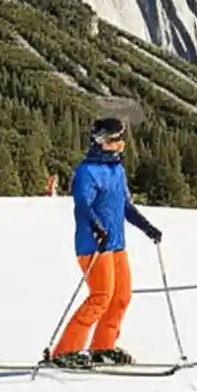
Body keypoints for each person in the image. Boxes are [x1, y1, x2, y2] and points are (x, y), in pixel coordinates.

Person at [46, 117, 162, 369]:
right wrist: (97, 228)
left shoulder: (117, 171)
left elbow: (125, 207)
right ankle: (65, 351)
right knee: (100, 297)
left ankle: (103, 346)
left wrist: (147, 227)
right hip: (93, 245)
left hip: (116, 245)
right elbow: (82, 206)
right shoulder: (87, 172)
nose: (120, 145)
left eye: (121, 140)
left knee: (121, 297)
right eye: (114, 141)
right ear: (100, 142)